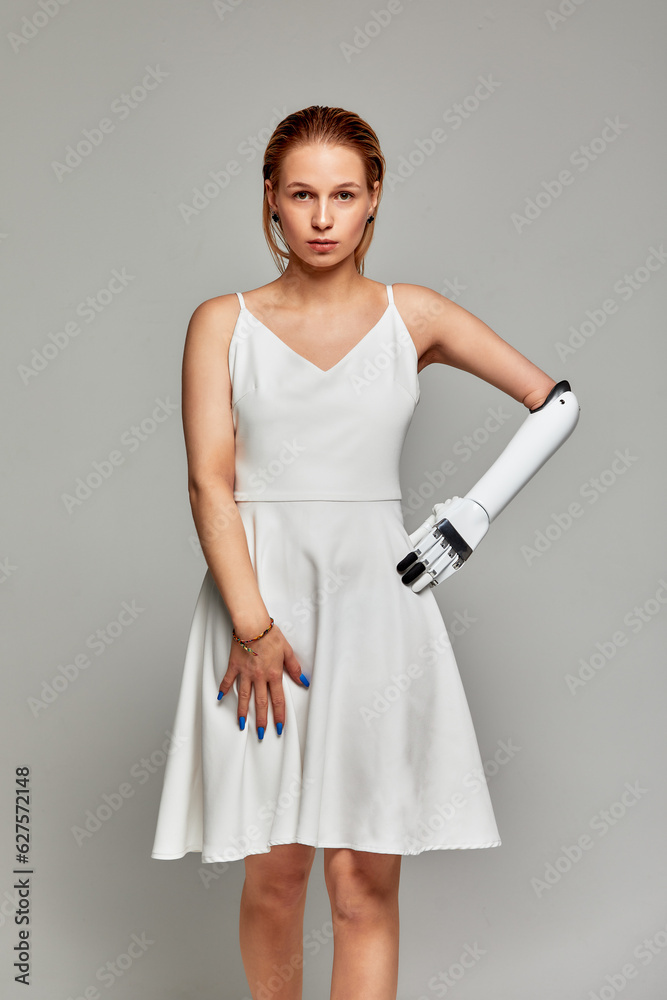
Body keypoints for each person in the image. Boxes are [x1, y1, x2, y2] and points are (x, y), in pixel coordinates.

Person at [151, 105, 578, 1000]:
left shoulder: (412, 313)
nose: (320, 216)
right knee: (273, 875)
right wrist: (252, 626)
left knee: (362, 882)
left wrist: (472, 514)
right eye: (301, 194)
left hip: (377, 610)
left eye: (342, 194)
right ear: (269, 199)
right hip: (254, 610)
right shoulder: (219, 323)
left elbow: (556, 402)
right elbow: (209, 484)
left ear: (373, 199)